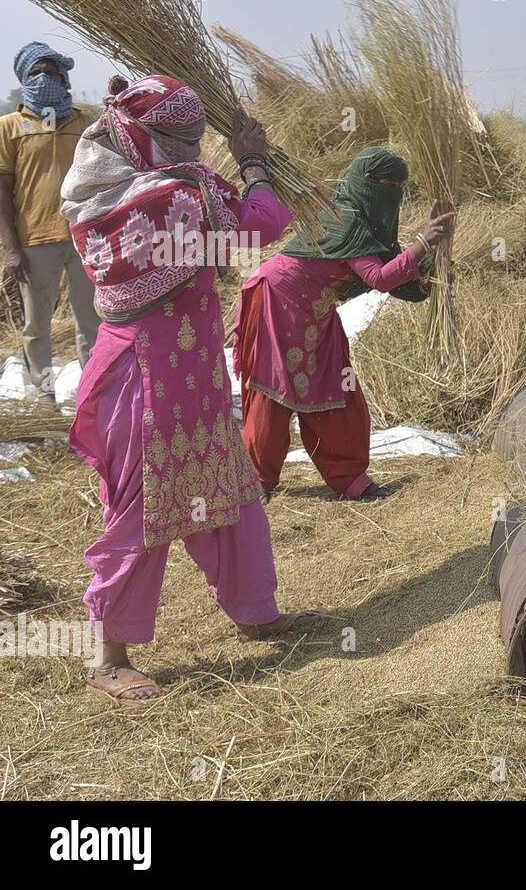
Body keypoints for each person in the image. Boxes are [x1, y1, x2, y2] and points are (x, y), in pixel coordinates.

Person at [63, 75, 319, 701]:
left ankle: (257, 610)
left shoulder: (100, 188)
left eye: (195, 140)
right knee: (142, 506)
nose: (190, 150)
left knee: (222, 485)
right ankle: (107, 658)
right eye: (178, 138)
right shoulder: (176, 193)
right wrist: (252, 159)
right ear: (142, 135)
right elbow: (263, 223)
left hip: (179, 368)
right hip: (146, 377)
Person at [234, 146, 453, 501]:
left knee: (335, 384)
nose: (389, 193)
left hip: (316, 309)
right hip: (278, 300)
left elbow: (392, 271)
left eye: (397, 186)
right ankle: (260, 479)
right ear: (363, 183)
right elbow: (380, 277)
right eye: (384, 184)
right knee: (275, 387)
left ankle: (349, 476)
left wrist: (433, 268)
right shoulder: (346, 218)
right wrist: (421, 244)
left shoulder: (362, 223)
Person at [0, 42, 99, 407]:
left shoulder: (84, 123)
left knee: (91, 322)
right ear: (25, 79)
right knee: (36, 326)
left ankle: (93, 398)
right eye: (36, 72)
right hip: (34, 240)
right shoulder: (10, 127)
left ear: (64, 77)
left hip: (83, 239)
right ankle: (45, 399)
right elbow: (2, 189)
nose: (45, 79)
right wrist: (10, 247)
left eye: (52, 72)